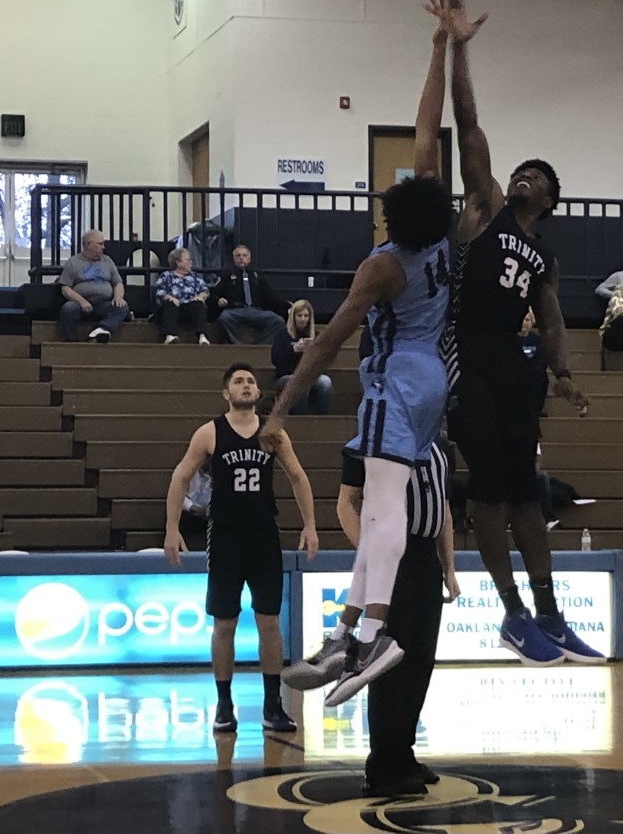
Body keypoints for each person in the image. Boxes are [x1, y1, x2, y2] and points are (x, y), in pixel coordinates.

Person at [261, 0, 456, 706]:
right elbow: (428, 125)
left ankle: (374, 634)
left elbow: (330, 343)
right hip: (431, 374)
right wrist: (441, 42)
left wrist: (281, 408)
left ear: (389, 217)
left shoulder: (383, 266)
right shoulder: (440, 237)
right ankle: (354, 628)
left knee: (380, 512)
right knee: (383, 507)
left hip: (397, 378)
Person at [437, 0, 603, 666]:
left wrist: (561, 372)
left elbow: (555, 314)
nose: (519, 176)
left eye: (532, 175)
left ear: (551, 198)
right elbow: (468, 120)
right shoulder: (486, 209)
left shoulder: (544, 254)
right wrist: (460, 44)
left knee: (529, 495)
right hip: (465, 354)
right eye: (518, 172)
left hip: (516, 365)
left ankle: (550, 614)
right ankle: (510, 614)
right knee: (490, 494)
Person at [285, 440, 458, 797]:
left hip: (426, 560)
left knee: (420, 660)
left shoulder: (443, 448)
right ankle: (382, 764)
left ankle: (402, 752)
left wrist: (449, 567)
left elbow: (442, 510)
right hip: (393, 556)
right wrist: (373, 556)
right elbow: (347, 503)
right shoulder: (370, 442)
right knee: (386, 663)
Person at [163, 363, 318, 735]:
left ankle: (272, 705)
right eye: (238, 381)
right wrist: (171, 529)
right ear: (226, 393)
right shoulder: (209, 432)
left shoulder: (273, 433)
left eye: (250, 381)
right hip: (227, 538)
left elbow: (298, 476)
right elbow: (180, 476)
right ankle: (224, 704)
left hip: (264, 535)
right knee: (225, 624)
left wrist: (310, 524)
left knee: (269, 623)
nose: (246, 385)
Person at [56, 230, 130, 342]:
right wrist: (82, 302)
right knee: (68, 309)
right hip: (80, 304)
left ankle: (101, 329)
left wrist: (118, 297)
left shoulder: (107, 261)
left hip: (103, 303)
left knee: (122, 308)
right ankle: (70, 342)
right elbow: (65, 288)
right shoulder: (73, 262)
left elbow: (118, 282)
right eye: (100, 244)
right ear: (89, 244)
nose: (103, 247)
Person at [213, 245, 286, 344]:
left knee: (278, 321)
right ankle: (236, 344)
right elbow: (215, 292)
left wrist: (286, 306)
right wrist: (219, 300)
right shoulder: (226, 274)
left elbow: (270, 296)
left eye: (244, 255)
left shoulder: (256, 274)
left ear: (249, 258)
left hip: (256, 311)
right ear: (234, 258)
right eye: (238, 255)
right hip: (235, 310)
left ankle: (261, 345)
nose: (241, 258)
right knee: (224, 318)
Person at [271, 299, 332, 415]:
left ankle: (320, 418)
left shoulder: (317, 336)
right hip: (286, 375)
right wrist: (294, 350)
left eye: (306, 316)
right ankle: (301, 416)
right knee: (299, 380)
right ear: (293, 317)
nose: (303, 319)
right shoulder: (282, 335)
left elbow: (324, 362)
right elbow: (276, 360)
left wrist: (313, 353)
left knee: (326, 382)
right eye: (299, 315)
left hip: (311, 375)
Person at [154, 248, 211, 344]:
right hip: (174, 307)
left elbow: (205, 290)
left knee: (199, 305)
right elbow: (159, 291)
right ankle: (169, 335)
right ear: (178, 262)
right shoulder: (166, 276)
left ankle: (202, 336)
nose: (191, 262)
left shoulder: (195, 277)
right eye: (188, 260)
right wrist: (169, 297)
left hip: (190, 307)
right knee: (170, 305)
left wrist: (201, 297)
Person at [517, 309, 549, 420]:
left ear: (532, 323)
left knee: (541, 376)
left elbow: (542, 359)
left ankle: (536, 409)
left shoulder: (537, 340)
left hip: (530, 371)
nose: (524, 323)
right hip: (512, 370)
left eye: (527, 320)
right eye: (521, 320)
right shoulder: (508, 338)